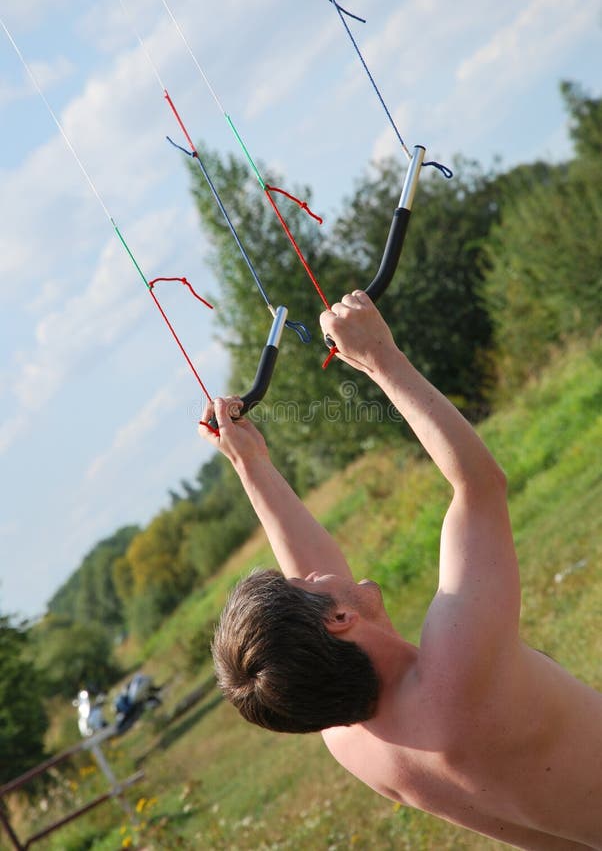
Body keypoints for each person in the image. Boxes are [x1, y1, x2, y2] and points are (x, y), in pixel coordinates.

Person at [199, 290, 602, 850]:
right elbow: (479, 488)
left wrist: (253, 467)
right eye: (302, 586)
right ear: (339, 617)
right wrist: (380, 358)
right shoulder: (458, 673)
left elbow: (316, 590)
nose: (310, 572)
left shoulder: (358, 745)